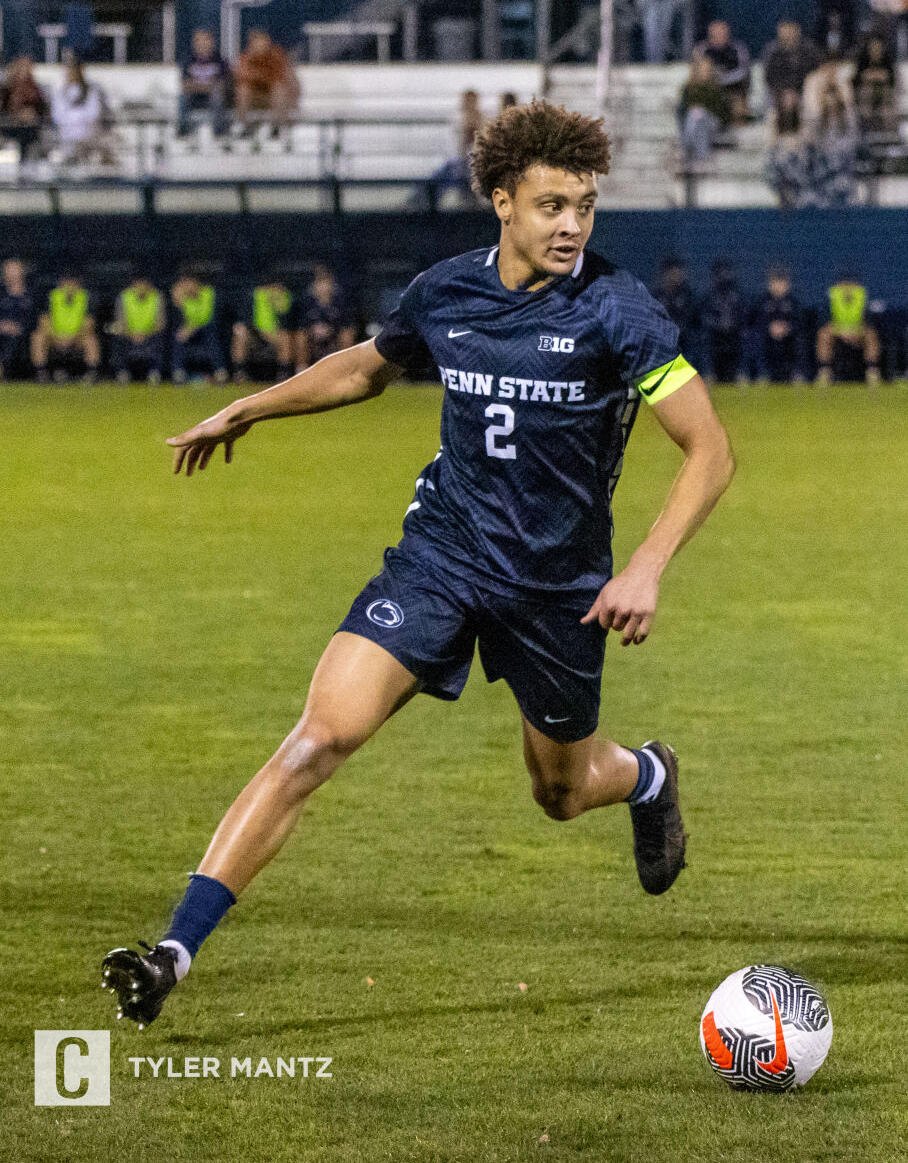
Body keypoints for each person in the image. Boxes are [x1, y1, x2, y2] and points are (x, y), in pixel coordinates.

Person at [101, 100, 735, 1030]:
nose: (571, 227)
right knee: (318, 737)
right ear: (501, 200)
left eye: (586, 208)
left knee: (559, 792)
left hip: (559, 586)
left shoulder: (617, 310)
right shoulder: (447, 292)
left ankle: (644, 775)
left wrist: (644, 564)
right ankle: (172, 952)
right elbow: (368, 365)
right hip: (441, 557)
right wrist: (251, 407)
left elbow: (709, 449)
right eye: (553, 206)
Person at [31, 270, 100, 382]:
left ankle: (91, 373)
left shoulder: (86, 297)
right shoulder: (51, 296)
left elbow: (89, 324)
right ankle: (41, 372)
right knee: (37, 336)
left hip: (77, 338)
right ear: (60, 282)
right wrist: (57, 338)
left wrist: (73, 338)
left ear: (79, 283)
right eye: (66, 281)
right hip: (54, 338)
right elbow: (44, 322)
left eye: (73, 282)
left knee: (91, 339)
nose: (69, 285)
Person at [815, 269, 882, 385]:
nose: (847, 287)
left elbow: (870, 320)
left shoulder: (862, 296)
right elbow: (824, 319)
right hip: (837, 331)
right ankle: (824, 371)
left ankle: (872, 371)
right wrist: (842, 332)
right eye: (844, 284)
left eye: (851, 284)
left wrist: (855, 331)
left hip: (858, 331)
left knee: (871, 333)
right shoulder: (832, 296)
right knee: (823, 333)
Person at [748, 264, 807, 384]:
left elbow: (800, 322)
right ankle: (761, 373)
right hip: (767, 337)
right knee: (754, 337)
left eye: (782, 282)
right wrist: (769, 328)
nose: (778, 286)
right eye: (775, 282)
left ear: (787, 284)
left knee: (800, 339)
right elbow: (755, 321)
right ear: (769, 284)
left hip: (788, 337)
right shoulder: (762, 301)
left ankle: (798, 373)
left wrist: (787, 328)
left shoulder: (793, 302)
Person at [234, 29, 299, 136]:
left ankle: (276, 128)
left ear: (267, 41)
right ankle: (244, 127)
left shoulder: (276, 56)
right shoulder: (246, 58)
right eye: (256, 42)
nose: (259, 45)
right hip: (254, 98)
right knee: (243, 90)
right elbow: (243, 77)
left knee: (279, 89)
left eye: (261, 41)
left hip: (272, 98)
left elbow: (280, 77)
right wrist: (262, 76)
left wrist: (258, 76)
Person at [50, 57, 112, 168]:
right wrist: (76, 118)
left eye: (74, 70)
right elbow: (57, 116)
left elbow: (94, 113)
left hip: (89, 137)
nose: (71, 74)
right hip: (67, 137)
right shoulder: (59, 91)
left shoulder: (92, 90)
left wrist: (74, 117)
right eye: (69, 70)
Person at [109, 270, 167, 384]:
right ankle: (122, 372)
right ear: (133, 284)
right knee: (116, 334)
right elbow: (120, 321)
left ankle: (154, 372)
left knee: (161, 337)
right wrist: (132, 334)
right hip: (129, 334)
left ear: (149, 285)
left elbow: (161, 323)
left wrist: (145, 334)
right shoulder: (123, 297)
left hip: (150, 333)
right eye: (138, 283)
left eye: (144, 283)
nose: (141, 286)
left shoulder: (158, 296)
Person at [170, 270, 227, 384]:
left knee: (210, 334)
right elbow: (180, 322)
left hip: (207, 329)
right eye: (184, 284)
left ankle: (220, 371)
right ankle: (178, 372)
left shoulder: (209, 293)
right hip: (189, 332)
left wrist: (192, 328)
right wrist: (178, 303)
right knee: (179, 336)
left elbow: (210, 318)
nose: (187, 286)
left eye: (189, 283)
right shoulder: (182, 297)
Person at [295, 265, 355, 372]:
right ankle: (301, 372)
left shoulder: (340, 301)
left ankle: (345, 371)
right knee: (300, 338)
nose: (323, 286)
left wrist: (332, 331)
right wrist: (313, 332)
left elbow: (346, 326)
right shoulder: (306, 301)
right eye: (319, 282)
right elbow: (302, 327)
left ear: (331, 284)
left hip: (333, 336)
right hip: (313, 337)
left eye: (325, 282)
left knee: (347, 337)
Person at [232, 280, 293, 383]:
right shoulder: (255, 298)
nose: (274, 290)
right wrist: (260, 332)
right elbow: (244, 321)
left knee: (285, 337)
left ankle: (284, 374)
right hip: (256, 335)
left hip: (276, 335)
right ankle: (239, 373)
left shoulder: (285, 298)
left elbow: (288, 323)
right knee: (240, 334)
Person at [679, 53, 733, 168]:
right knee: (696, 116)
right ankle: (701, 157)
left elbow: (722, 112)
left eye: (707, 68)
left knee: (699, 115)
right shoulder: (688, 88)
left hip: (713, 123)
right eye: (702, 68)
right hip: (694, 122)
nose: (704, 71)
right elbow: (682, 111)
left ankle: (688, 153)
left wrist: (701, 110)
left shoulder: (716, 88)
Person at [693, 20, 751, 125]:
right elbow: (698, 73)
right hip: (710, 92)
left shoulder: (737, 49)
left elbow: (743, 72)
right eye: (716, 34)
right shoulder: (702, 50)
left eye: (723, 33)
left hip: (732, 91)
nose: (720, 36)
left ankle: (737, 135)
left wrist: (720, 78)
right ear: (710, 35)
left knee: (737, 104)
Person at [761, 20, 823, 113]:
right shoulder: (772, 52)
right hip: (779, 92)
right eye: (784, 33)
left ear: (797, 32)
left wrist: (798, 92)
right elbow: (770, 77)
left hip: (805, 89)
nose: (788, 35)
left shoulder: (809, 49)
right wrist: (785, 91)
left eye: (790, 32)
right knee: (780, 100)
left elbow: (816, 72)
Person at [701, 259, 746, 383]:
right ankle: (708, 372)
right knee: (704, 338)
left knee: (744, 336)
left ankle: (741, 372)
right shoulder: (709, 297)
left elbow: (742, 319)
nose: (723, 276)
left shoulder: (737, 296)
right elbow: (705, 320)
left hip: (733, 340)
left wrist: (729, 326)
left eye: (726, 272)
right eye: (720, 273)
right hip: (716, 341)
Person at [766, 91, 814, 209]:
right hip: (781, 168)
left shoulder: (803, 118)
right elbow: (771, 144)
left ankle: (795, 193)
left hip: (799, 168)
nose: (789, 102)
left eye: (792, 99)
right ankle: (783, 192)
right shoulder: (774, 117)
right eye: (786, 99)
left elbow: (808, 141)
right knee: (776, 156)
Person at [179, 28, 230, 138]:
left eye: (205, 40)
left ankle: (219, 134)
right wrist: (208, 85)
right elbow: (185, 84)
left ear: (212, 42)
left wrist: (197, 85)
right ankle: (183, 131)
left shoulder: (220, 61)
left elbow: (221, 85)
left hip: (213, 98)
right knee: (182, 96)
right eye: (199, 41)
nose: (202, 44)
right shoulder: (188, 60)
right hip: (194, 98)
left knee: (217, 94)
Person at [853, 32, 899, 144]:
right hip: (865, 96)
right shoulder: (863, 60)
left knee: (885, 93)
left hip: (884, 96)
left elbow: (891, 79)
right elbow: (857, 79)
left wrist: (874, 76)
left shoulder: (887, 60)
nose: (875, 50)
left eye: (878, 47)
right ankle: (865, 126)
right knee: (867, 89)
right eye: (873, 47)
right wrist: (874, 76)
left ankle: (890, 138)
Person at [0, 56, 50, 160]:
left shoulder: (36, 89)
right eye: (22, 67)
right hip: (11, 128)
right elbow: (4, 110)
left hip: (32, 129)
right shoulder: (7, 89)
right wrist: (17, 115)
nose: (25, 70)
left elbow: (43, 111)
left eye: (27, 67)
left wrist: (31, 114)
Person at [0, 258, 36, 380]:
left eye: (14, 269)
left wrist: (21, 328)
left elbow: (37, 319)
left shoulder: (33, 294)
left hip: (26, 335)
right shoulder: (2, 294)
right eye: (8, 269)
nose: (11, 273)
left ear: (22, 271)